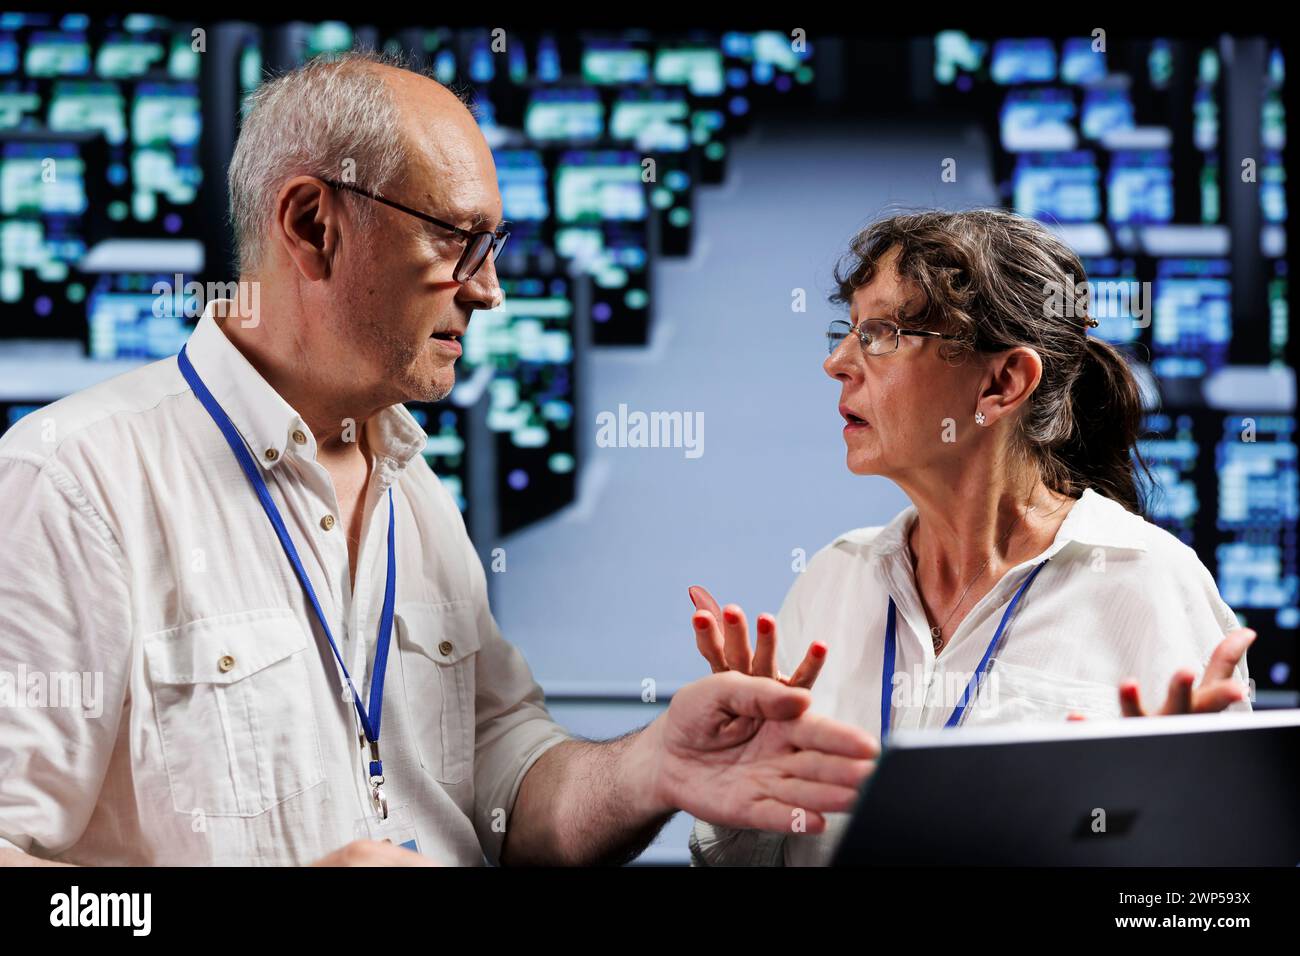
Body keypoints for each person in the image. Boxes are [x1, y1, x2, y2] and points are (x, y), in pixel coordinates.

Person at [0, 51, 878, 866]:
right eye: (457, 237)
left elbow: (508, 784)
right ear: (313, 224)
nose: (489, 287)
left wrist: (656, 767)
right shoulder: (75, 489)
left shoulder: (413, 490)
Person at [687, 209, 1255, 866]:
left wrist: (1178, 825)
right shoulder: (833, 581)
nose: (836, 362)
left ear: (1002, 382)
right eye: (846, 331)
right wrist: (739, 792)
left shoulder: (1148, 584)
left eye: (879, 334)